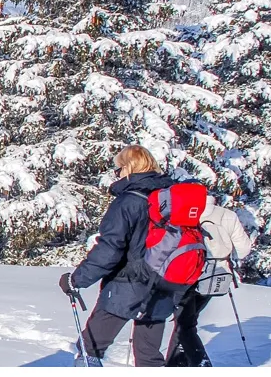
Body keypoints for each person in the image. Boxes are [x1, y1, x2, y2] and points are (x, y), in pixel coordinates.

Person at [58, 144, 180, 367]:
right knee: (148, 356)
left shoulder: (128, 201)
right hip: (164, 285)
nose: (117, 174)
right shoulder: (169, 198)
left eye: (118, 169)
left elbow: (110, 250)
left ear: (128, 168)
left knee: (90, 347)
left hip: (128, 286)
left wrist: (76, 280)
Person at [165, 194, 255, 367]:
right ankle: (177, 362)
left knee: (185, 322)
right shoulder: (227, 215)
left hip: (189, 272)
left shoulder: (184, 213)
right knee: (187, 320)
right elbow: (243, 249)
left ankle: (199, 362)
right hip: (217, 274)